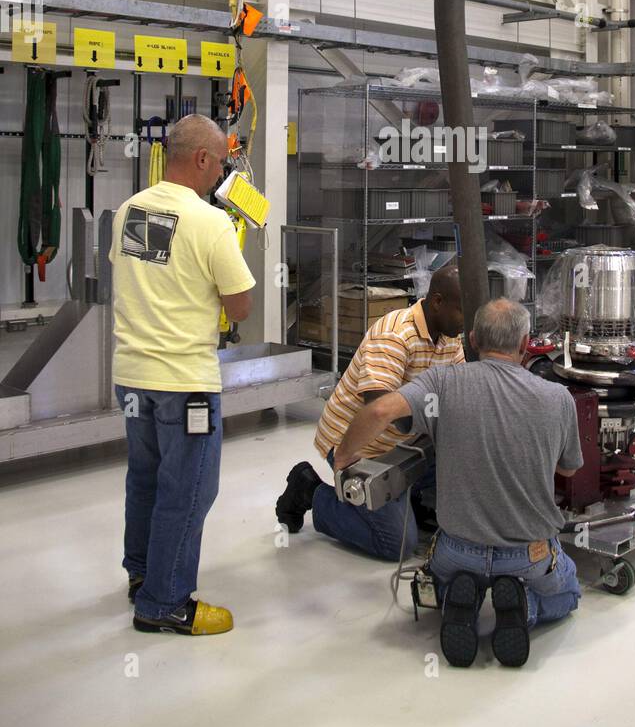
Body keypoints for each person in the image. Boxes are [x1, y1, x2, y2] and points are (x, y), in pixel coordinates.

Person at [334, 298, 582, 668]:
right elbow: (568, 472)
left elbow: (381, 409)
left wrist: (343, 457)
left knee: (450, 571)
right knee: (570, 593)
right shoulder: (558, 398)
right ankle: (523, 606)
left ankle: (455, 601)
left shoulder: (442, 383)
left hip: (457, 551)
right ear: (526, 343)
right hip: (527, 555)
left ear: (473, 339)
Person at [111, 114, 255, 636]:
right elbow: (239, 308)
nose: (221, 172)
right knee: (189, 487)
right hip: (185, 384)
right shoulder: (211, 221)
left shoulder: (128, 209)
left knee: (144, 477)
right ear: (200, 159)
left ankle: (142, 574)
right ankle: (165, 601)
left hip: (131, 376)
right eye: (220, 162)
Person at [275, 263, 464, 559]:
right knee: (397, 543)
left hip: (409, 444)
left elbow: (458, 394)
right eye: (462, 310)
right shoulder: (395, 334)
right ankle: (311, 491)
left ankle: (405, 498)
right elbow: (382, 410)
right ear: (438, 302)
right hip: (359, 445)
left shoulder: (450, 337)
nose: (466, 321)